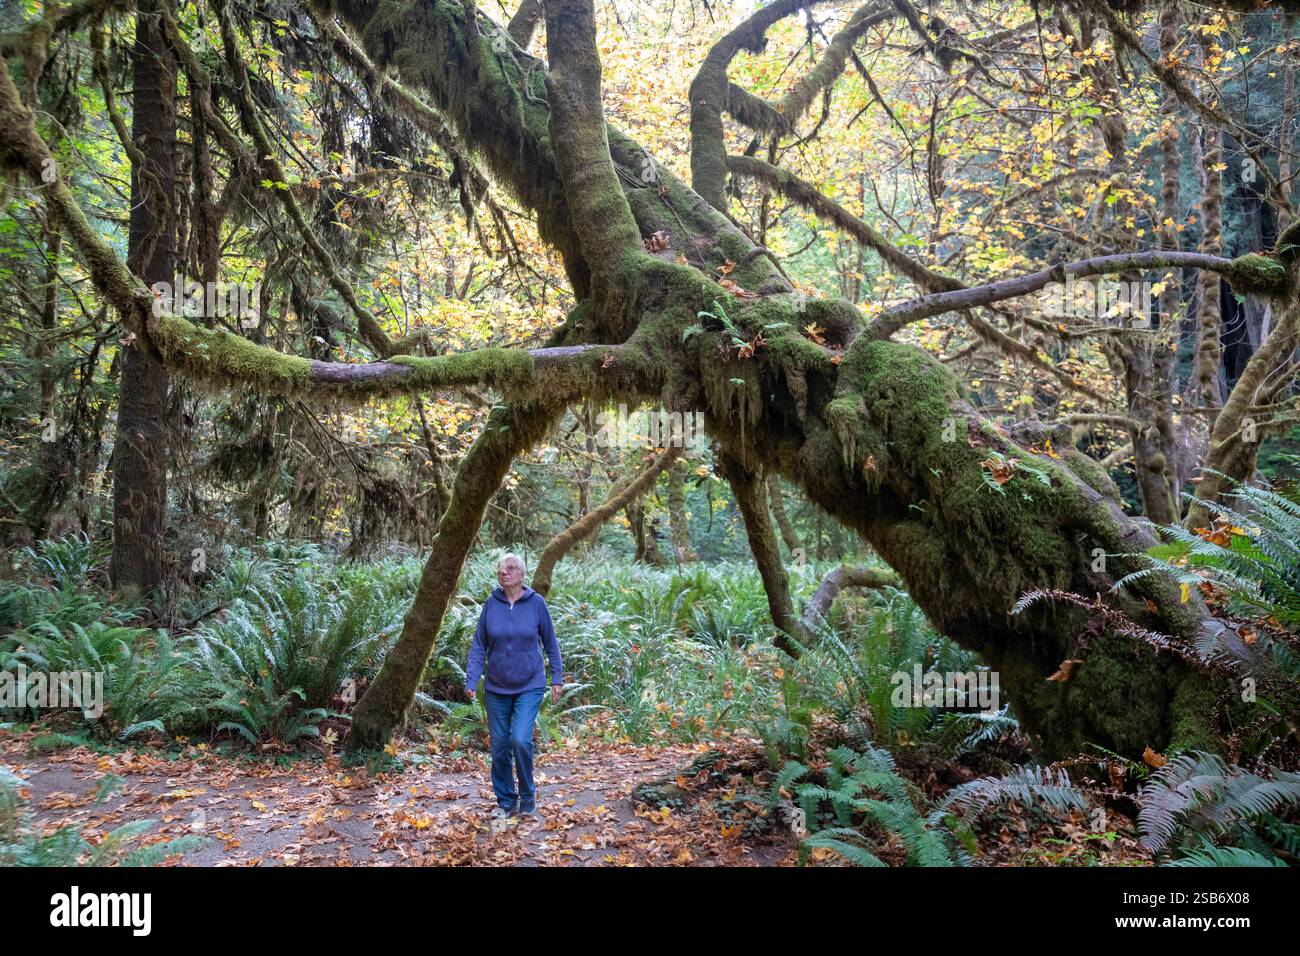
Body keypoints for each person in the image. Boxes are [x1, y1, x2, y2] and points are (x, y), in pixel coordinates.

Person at [464, 552, 563, 820]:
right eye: (500, 568)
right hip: (496, 687)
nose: (503, 572)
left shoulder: (536, 603)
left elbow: (551, 643)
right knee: (499, 746)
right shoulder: (491, 604)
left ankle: (528, 795)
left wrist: (557, 678)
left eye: (509, 568)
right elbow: (478, 645)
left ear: (521, 573)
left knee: (520, 739)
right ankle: (506, 800)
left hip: (529, 684)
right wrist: (472, 679)